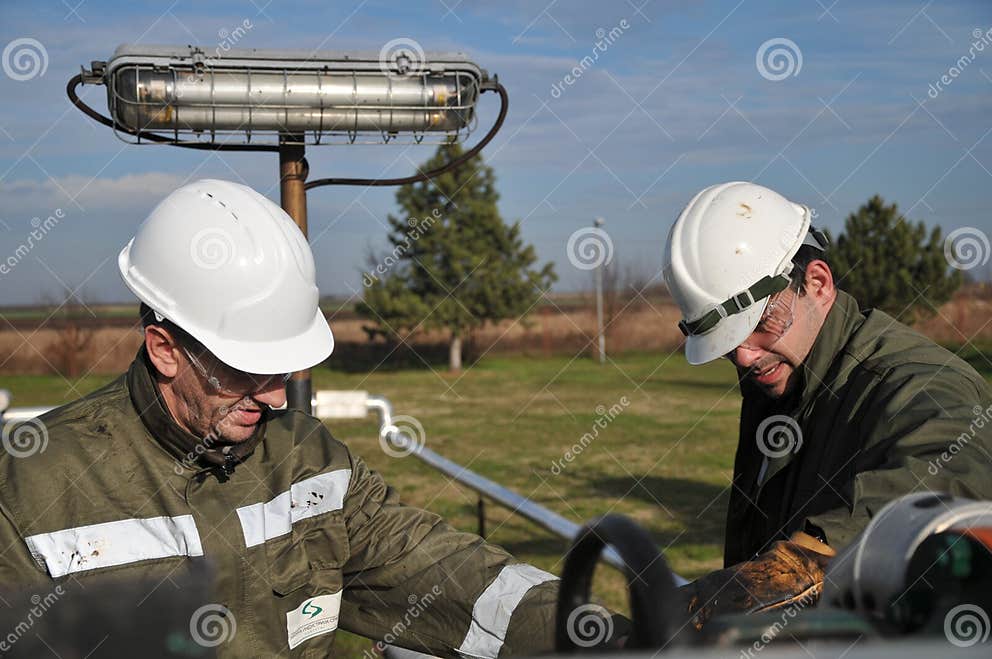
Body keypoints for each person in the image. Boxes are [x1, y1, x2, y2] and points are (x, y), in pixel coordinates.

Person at [0, 179, 598, 657]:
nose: (278, 400)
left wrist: (603, 633)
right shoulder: (32, 492)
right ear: (164, 349)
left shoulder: (308, 460)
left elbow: (439, 572)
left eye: (285, 370)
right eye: (249, 370)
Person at [662, 181, 992, 628]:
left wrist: (807, 557)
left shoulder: (918, 383)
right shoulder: (781, 377)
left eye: (761, 323)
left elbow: (950, 474)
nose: (743, 355)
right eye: (727, 341)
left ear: (817, 283)